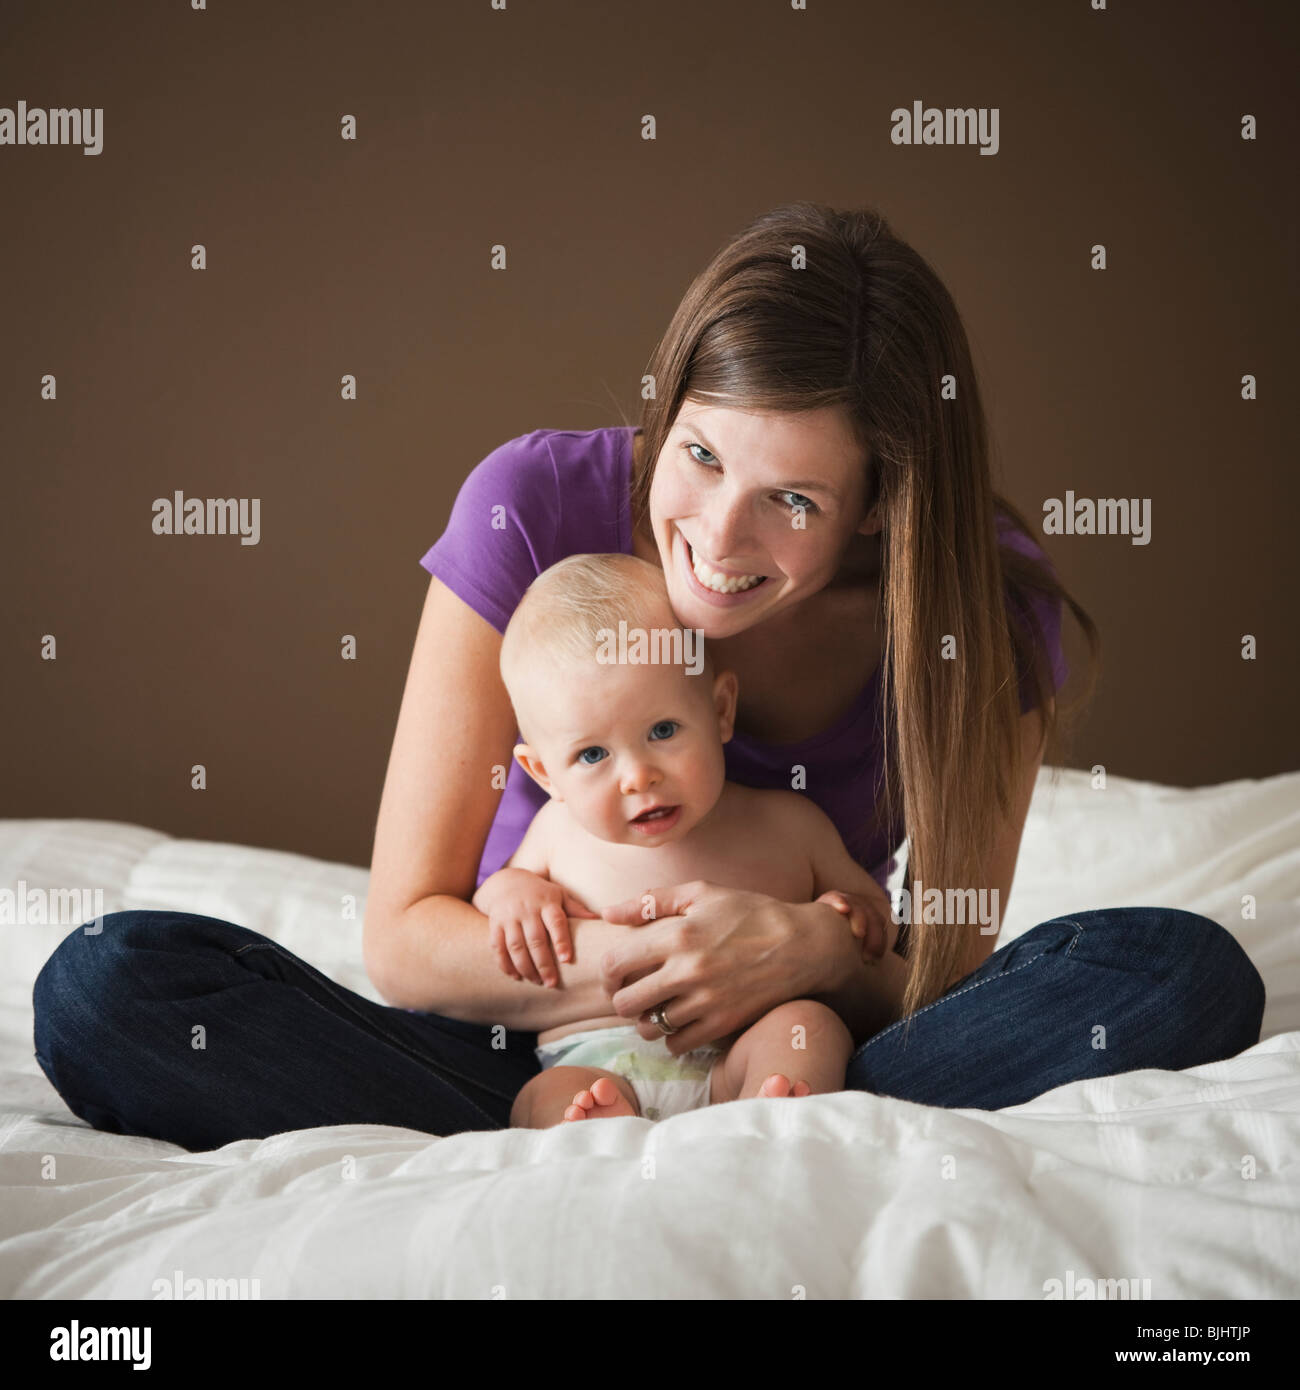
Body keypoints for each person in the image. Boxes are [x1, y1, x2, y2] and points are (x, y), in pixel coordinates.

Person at [32, 202, 1265, 1152]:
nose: (717, 540)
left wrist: (803, 957)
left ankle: (778, 1106)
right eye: (699, 455)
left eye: (791, 499)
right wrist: (652, 977)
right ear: (664, 406)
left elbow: (935, 965)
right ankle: (578, 1119)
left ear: (883, 505)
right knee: (107, 989)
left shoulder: (970, 605)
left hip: (812, 1033)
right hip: (525, 1042)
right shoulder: (532, 506)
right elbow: (405, 941)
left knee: (1176, 974)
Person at [480, 551, 902, 1127]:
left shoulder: (790, 825)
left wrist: (849, 915)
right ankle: (594, 1141)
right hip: (600, 1062)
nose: (637, 776)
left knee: (811, 1027)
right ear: (544, 774)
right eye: (593, 754)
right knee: (544, 1096)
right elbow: (498, 896)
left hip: (741, 1055)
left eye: (662, 730)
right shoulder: (555, 833)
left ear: (720, 709)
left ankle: (770, 1122)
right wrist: (512, 894)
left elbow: (876, 925)